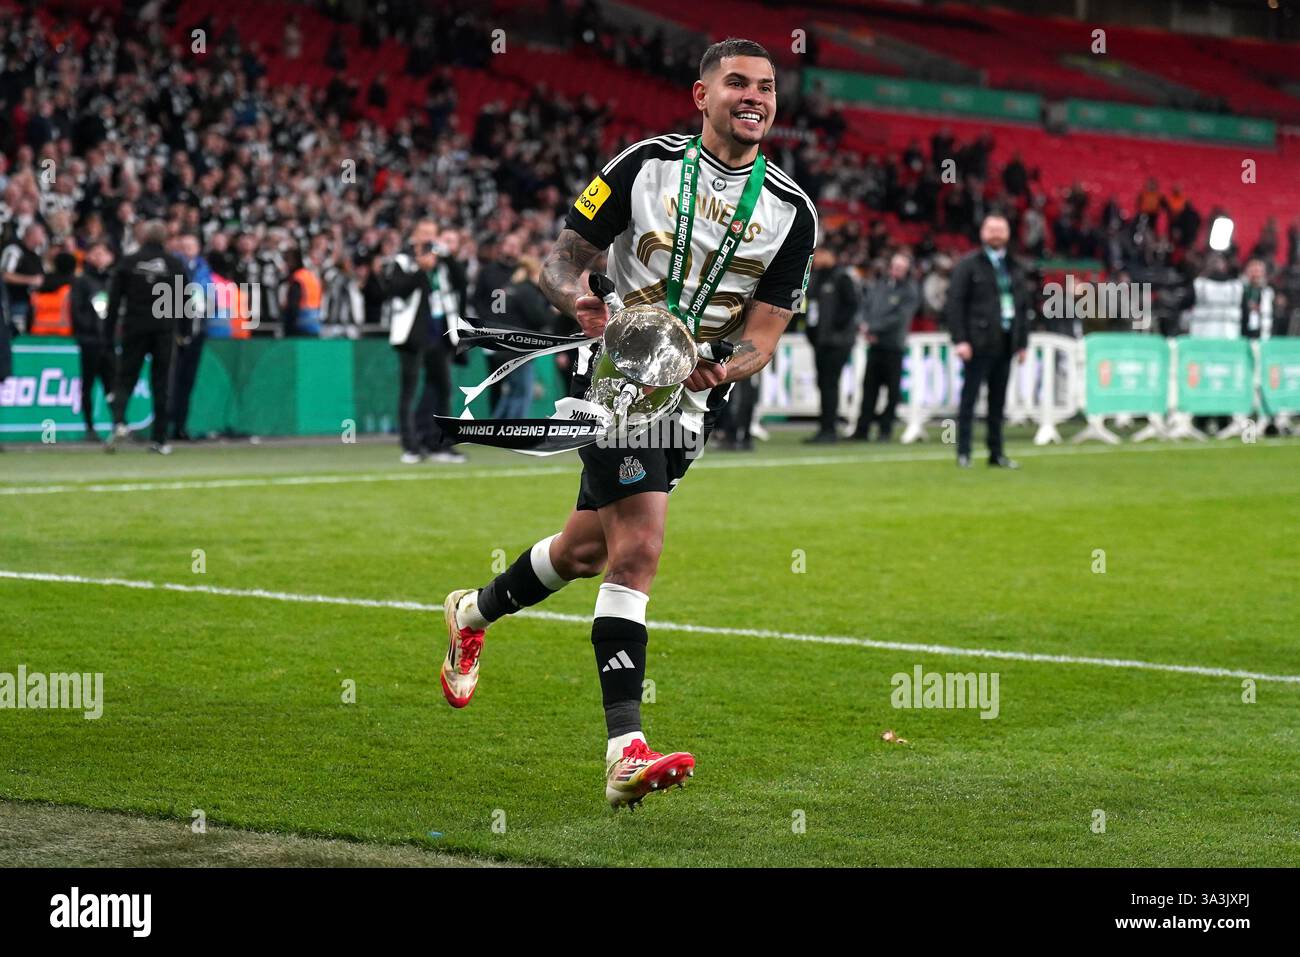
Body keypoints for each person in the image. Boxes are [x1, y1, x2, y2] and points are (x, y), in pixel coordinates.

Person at [437, 38, 817, 809]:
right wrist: (580, 300)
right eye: (737, 83)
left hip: (690, 400)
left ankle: (471, 611)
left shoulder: (792, 212)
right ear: (700, 96)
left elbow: (765, 336)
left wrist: (721, 363)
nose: (755, 97)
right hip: (614, 381)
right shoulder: (644, 166)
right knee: (639, 548)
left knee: (584, 551)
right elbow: (559, 258)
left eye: (767, 87)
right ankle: (624, 749)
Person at [946, 213, 1029, 469]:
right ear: (983, 233)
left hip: (1005, 341)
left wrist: (1023, 342)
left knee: (998, 403)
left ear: (1008, 233)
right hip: (977, 341)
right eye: (991, 229)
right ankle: (964, 452)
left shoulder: (1015, 266)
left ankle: (996, 452)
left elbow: (1023, 307)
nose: (996, 234)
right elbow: (955, 304)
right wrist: (960, 339)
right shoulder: (968, 265)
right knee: (969, 400)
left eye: (1000, 229)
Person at [381, 220, 465, 464]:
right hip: (413, 335)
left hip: (439, 333)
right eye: (425, 234)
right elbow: (396, 290)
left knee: (443, 389)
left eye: (433, 235)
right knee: (408, 392)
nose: (429, 239)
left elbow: (461, 283)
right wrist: (420, 269)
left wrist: (447, 257)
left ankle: (439, 444)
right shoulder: (402, 261)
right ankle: (410, 446)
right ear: (415, 236)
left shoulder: (442, 262)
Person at [105, 220, 190, 454]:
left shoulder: (129, 262)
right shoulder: (174, 264)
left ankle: (119, 422)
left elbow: (114, 300)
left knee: (125, 377)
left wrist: (108, 331)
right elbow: (185, 300)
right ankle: (160, 439)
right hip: (164, 329)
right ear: (165, 239)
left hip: (135, 327)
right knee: (162, 384)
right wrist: (185, 332)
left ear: (143, 238)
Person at [854, 251, 918, 442]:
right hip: (875, 345)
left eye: (901, 268)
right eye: (895, 267)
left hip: (893, 346)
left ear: (907, 270)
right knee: (869, 389)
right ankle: (862, 430)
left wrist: (872, 329)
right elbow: (864, 307)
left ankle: (885, 430)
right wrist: (864, 326)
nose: (896, 271)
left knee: (892, 392)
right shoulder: (880, 285)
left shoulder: (910, 291)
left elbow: (899, 318)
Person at [805, 246, 859, 443]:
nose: (816, 259)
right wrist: (811, 331)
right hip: (821, 341)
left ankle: (829, 429)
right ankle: (825, 428)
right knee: (823, 384)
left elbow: (852, 304)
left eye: (820, 254)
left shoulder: (841, 277)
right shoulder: (816, 278)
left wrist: (837, 326)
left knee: (829, 384)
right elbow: (810, 307)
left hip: (837, 342)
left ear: (831, 255)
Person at [70, 240, 116, 442]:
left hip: (108, 342)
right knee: (87, 384)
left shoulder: (113, 280)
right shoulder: (82, 281)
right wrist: (88, 331)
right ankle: (89, 426)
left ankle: (118, 424)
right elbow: (76, 311)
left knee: (112, 385)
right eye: (95, 253)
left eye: (102, 252)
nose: (99, 257)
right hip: (89, 342)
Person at [1, 223, 46, 334]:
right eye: (41, 234)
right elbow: (4, 275)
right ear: (32, 235)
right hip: (14, 301)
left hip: (29, 302)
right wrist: (31, 280)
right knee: (16, 333)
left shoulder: (35, 253)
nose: (43, 238)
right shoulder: (14, 250)